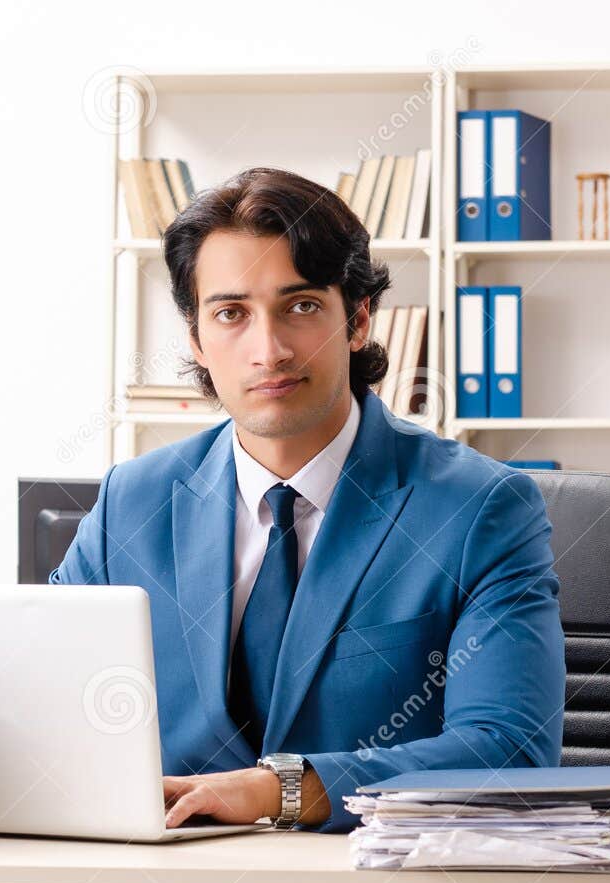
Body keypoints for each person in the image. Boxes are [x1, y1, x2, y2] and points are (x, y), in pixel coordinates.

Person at [51, 166, 564, 832]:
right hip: (161, 878)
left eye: (300, 307)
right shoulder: (131, 502)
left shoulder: (480, 508)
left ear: (357, 319)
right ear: (197, 339)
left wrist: (279, 791)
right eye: (231, 314)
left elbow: (510, 753)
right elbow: (41, 703)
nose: (268, 351)